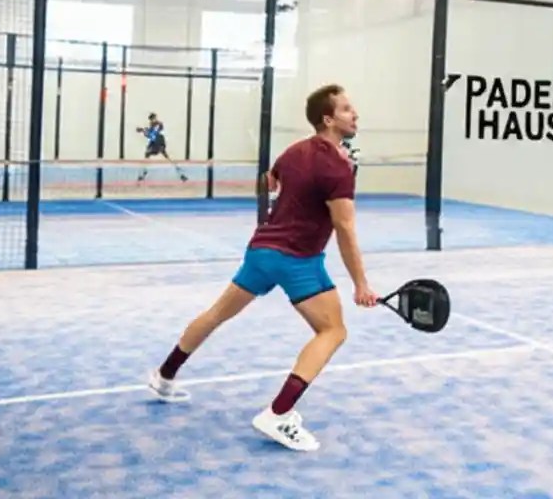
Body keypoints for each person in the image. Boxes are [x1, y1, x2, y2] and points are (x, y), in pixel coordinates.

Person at [146, 84, 379, 452]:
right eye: (348, 109)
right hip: (297, 260)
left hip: (261, 252)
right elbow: (345, 228)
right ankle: (278, 414)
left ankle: (164, 375)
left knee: (216, 314)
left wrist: (267, 220)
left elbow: (267, 183)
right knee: (333, 331)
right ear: (328, 119)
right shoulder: (338, 167)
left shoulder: (293, 151)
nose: (356, 115)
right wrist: (361, 285)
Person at [136, 112, 188, 183]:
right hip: (155, 143)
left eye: (152, 119)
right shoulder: (152, 126)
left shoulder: (158, 125)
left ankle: (181, 174)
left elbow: (153, 135)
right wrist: (143, 131)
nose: (151, 121)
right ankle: (143, 172)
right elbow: (150, 134)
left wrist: (143, 131)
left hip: (159, 143)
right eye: (151, 120)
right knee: (148, 155)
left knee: (167, 157)